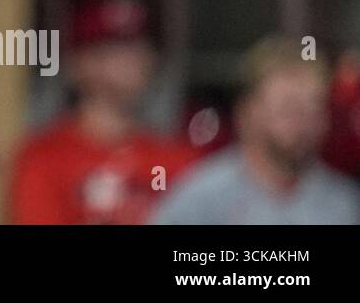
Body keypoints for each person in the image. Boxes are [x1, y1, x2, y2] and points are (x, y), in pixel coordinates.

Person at [9, 0, 197, 224]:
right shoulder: (45, 156)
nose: (133, 61)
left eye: (138, 48)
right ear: (78, 64)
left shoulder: (175, 157)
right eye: (114, 50)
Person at [152, 37, 360, 224]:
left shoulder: (346, 205)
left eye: (315, 108)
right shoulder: (201, 201)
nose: (305, 123)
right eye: (289, 109)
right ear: (247, 113)